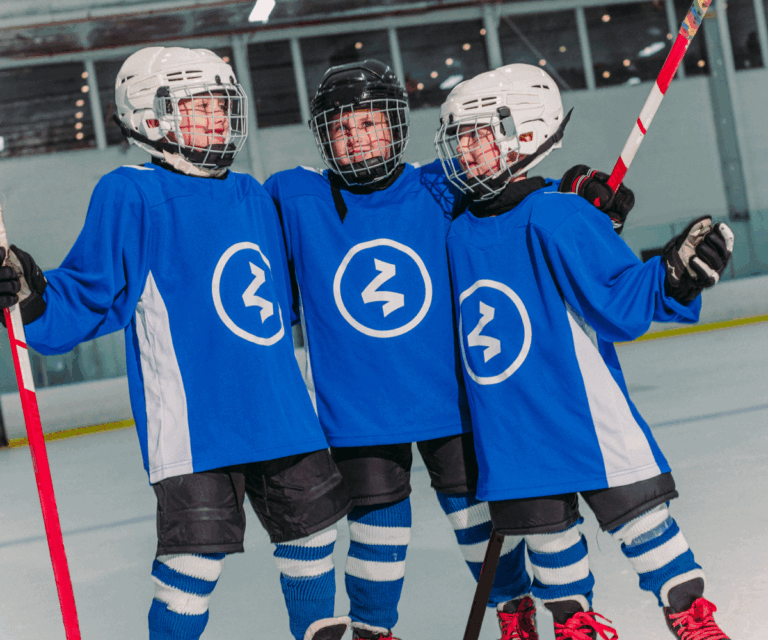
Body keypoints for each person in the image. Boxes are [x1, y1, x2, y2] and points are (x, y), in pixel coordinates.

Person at [264, 60, 633, 640]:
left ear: (396, 124)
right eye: (340, 127)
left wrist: (578, 190)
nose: (356, 138)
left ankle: (513, 607)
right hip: (358, 412)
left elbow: (510, 193)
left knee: (477, 524)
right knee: (375, 531)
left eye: (369, 123)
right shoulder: (295, 195)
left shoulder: (441, 184)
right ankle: (372, 629)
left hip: (456, 402)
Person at [0, 46, 353, 640]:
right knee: (194, 563)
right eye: (200, 107)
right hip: (195, 426)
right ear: (148, 116)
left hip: (281, 412)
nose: (219, 118)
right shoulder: (131, 193)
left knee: (313, 535)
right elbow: (89, 296)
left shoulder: (252, 193)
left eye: (222, 104)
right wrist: (32, 294)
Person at [436, 63, 734, 640]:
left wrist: (672, 278)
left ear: (525, 133)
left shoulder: (559, 214)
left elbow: (618, 300)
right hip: (511, 424)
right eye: (459, 138)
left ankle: (688, 612)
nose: (464, 151)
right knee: (548, 540)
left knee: (643, 521)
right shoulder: (457, 229)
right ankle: (575, 625)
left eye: (476, 135)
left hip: (585, 414)